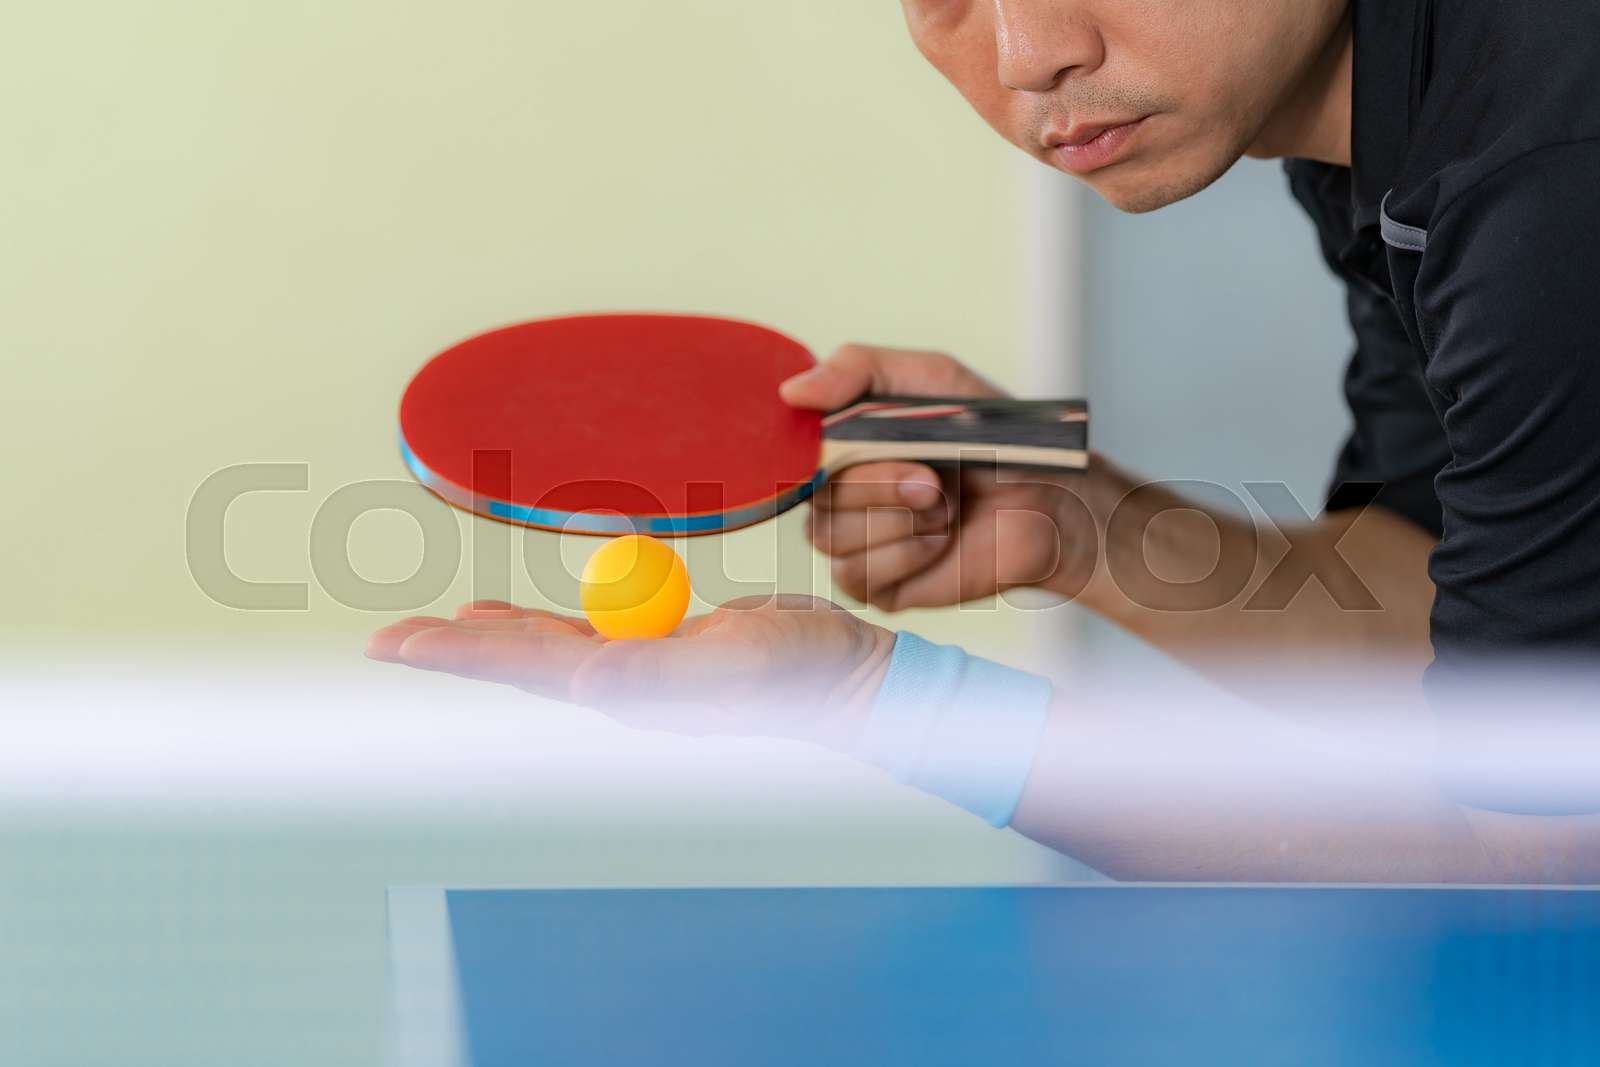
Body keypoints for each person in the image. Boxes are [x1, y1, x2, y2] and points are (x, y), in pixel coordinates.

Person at [369, 0, 1600, 882]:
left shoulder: (1544, 187)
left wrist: (881, 697)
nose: (1028, 53)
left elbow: (1537, 863)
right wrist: (1088, 528)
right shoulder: (1388, 126)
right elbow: (1461, 650)